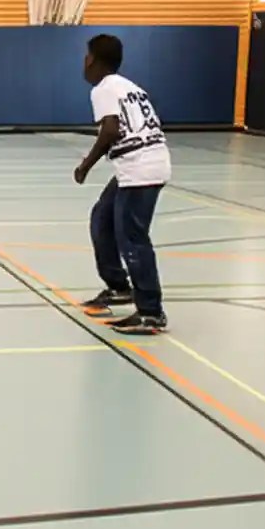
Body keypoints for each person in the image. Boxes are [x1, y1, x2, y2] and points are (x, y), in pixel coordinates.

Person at [74, 34, 170, 335]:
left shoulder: (103, 88)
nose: (84, 63)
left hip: (141, 170)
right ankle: (118, 287)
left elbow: (111, 129)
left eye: (85, 57)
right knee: (102, 218)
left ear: (92, 60)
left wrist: (85, 165)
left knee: (132, 238)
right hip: (143, 163)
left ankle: (151, 312)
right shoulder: (129, 86)